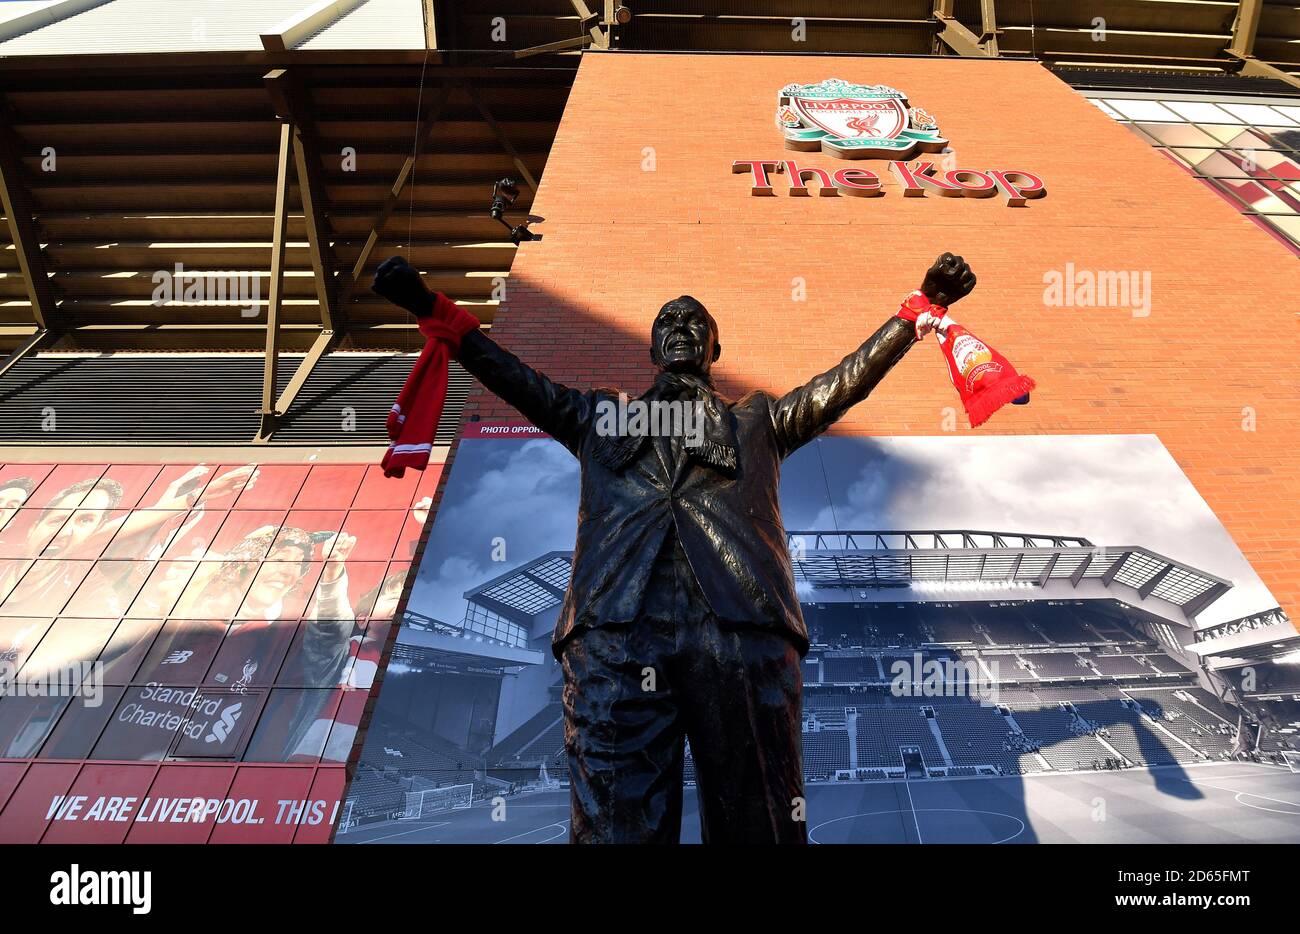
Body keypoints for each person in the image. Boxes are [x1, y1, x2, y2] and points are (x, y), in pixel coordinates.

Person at [373, 251, 976, 844]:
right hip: (615, 633)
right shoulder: (600, 417)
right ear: (653, 347)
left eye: (695, 323)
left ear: (714, 350)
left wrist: (918, 313)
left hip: (741, 631)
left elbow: (843, 385)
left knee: (758, 816)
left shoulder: (758, 420)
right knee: (615, 824)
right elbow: (516, 378)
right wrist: (435, 310)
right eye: (667, 322)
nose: (680, 329)